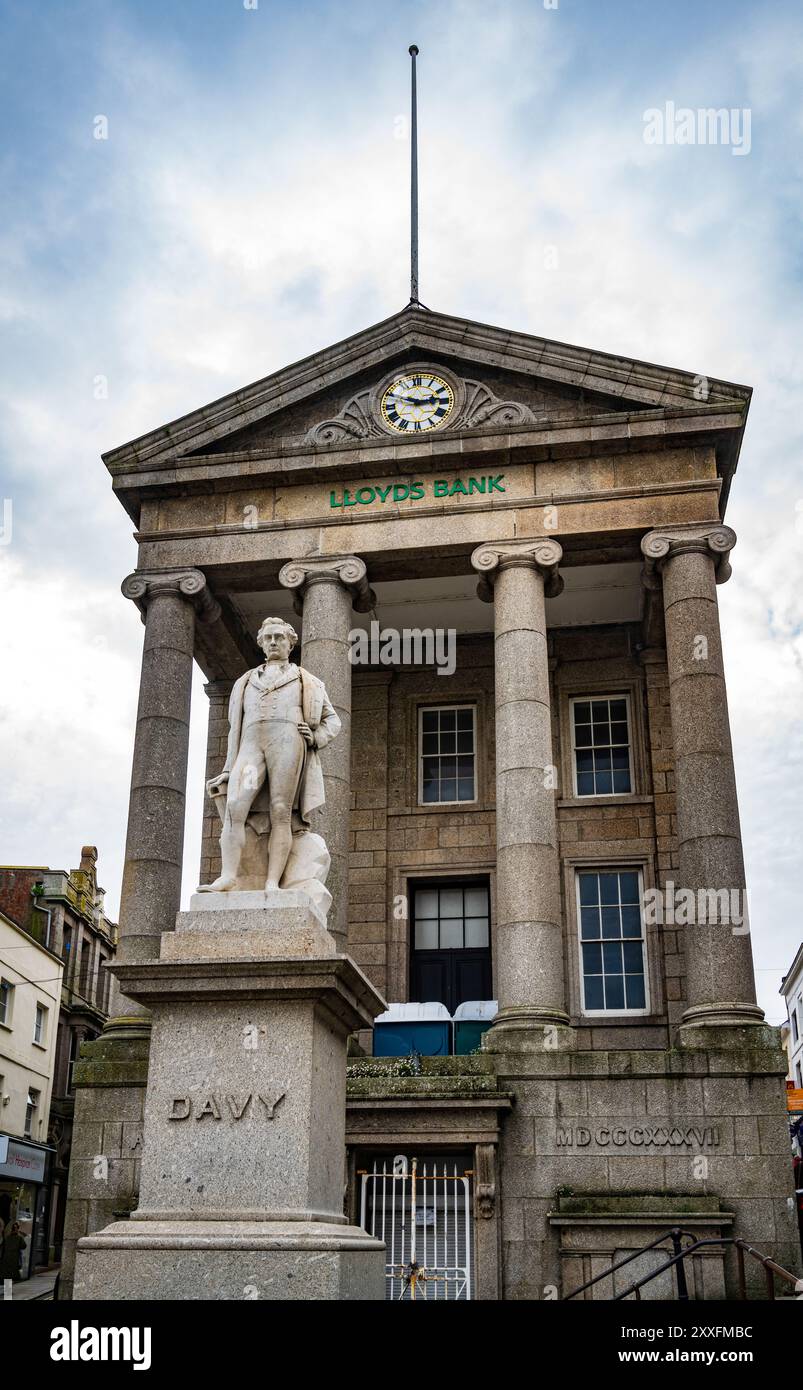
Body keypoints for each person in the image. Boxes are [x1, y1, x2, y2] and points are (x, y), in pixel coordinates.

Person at [197, 617, 341, 893]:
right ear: (262, 644)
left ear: (290, 643)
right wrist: (228, 767)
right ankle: (229, 876)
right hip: (251, 743)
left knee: (281, 811)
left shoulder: (307, 680)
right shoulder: (245, 681)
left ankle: (272, 882)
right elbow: (233, 729)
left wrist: (316, 737)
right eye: (269, 638)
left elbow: (332, 720)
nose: (274, 642)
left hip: (288, 740)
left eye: (280, 637)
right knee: (235, 807)